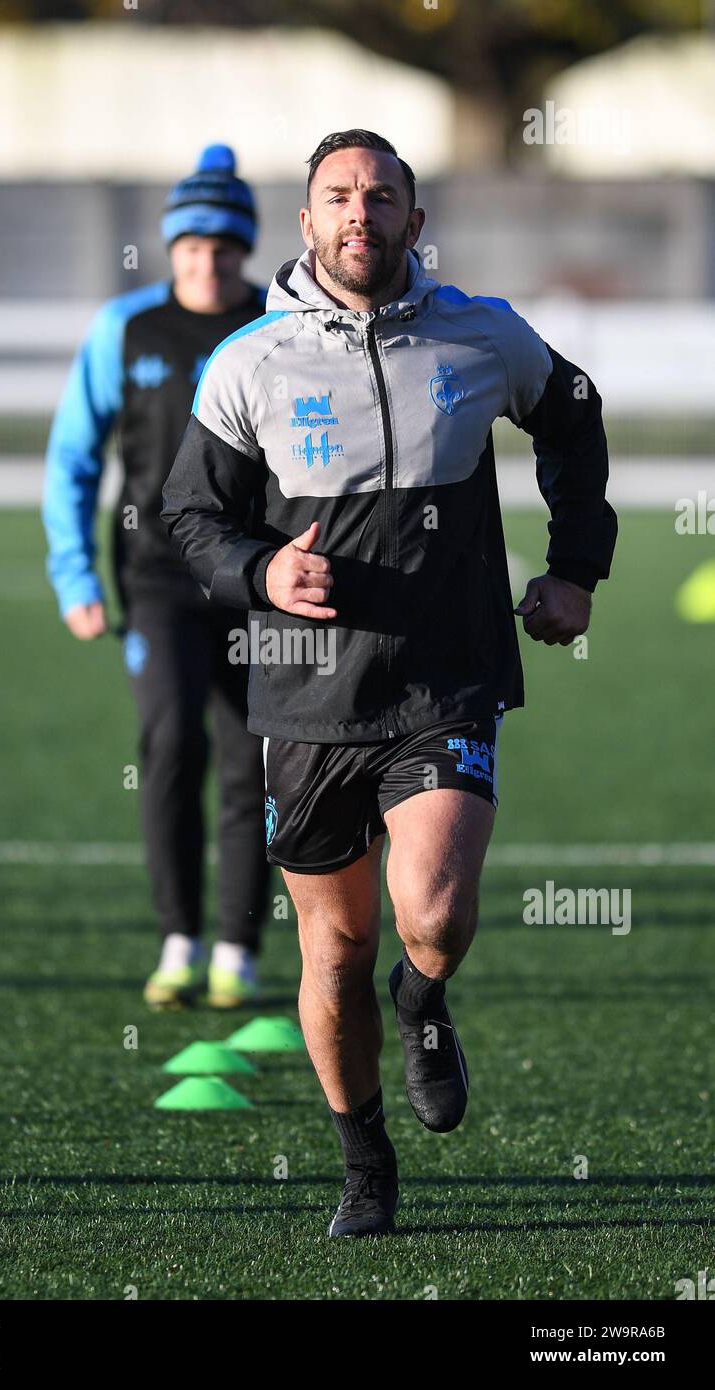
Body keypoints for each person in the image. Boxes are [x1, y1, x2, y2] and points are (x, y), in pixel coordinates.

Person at [161, 128, 618, 1235]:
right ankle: (365, 1168)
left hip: (444, 677)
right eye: (335, 197)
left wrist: (572, 569)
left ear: (414, 220)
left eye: (379, 196)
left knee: (433, 915)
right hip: (305, 695)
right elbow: (188, 516)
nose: (357, 213)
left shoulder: (480, 333)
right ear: (307, 223)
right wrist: (261, 569)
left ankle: (425, 1001)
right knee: (335, 949)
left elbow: (572, 412)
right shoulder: (249, 364)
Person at [43, 144, 271, 1011]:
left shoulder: (277, 325)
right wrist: (76, 578)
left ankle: (238, 950)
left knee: (256, 763)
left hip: (260, 581)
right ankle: (179, 938)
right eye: (189, 246)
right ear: (170, 248)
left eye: (221, 246)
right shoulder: (125, 329)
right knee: (173, 745)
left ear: (244, 247)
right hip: (156, 582)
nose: (205, 261)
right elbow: (72, 457)